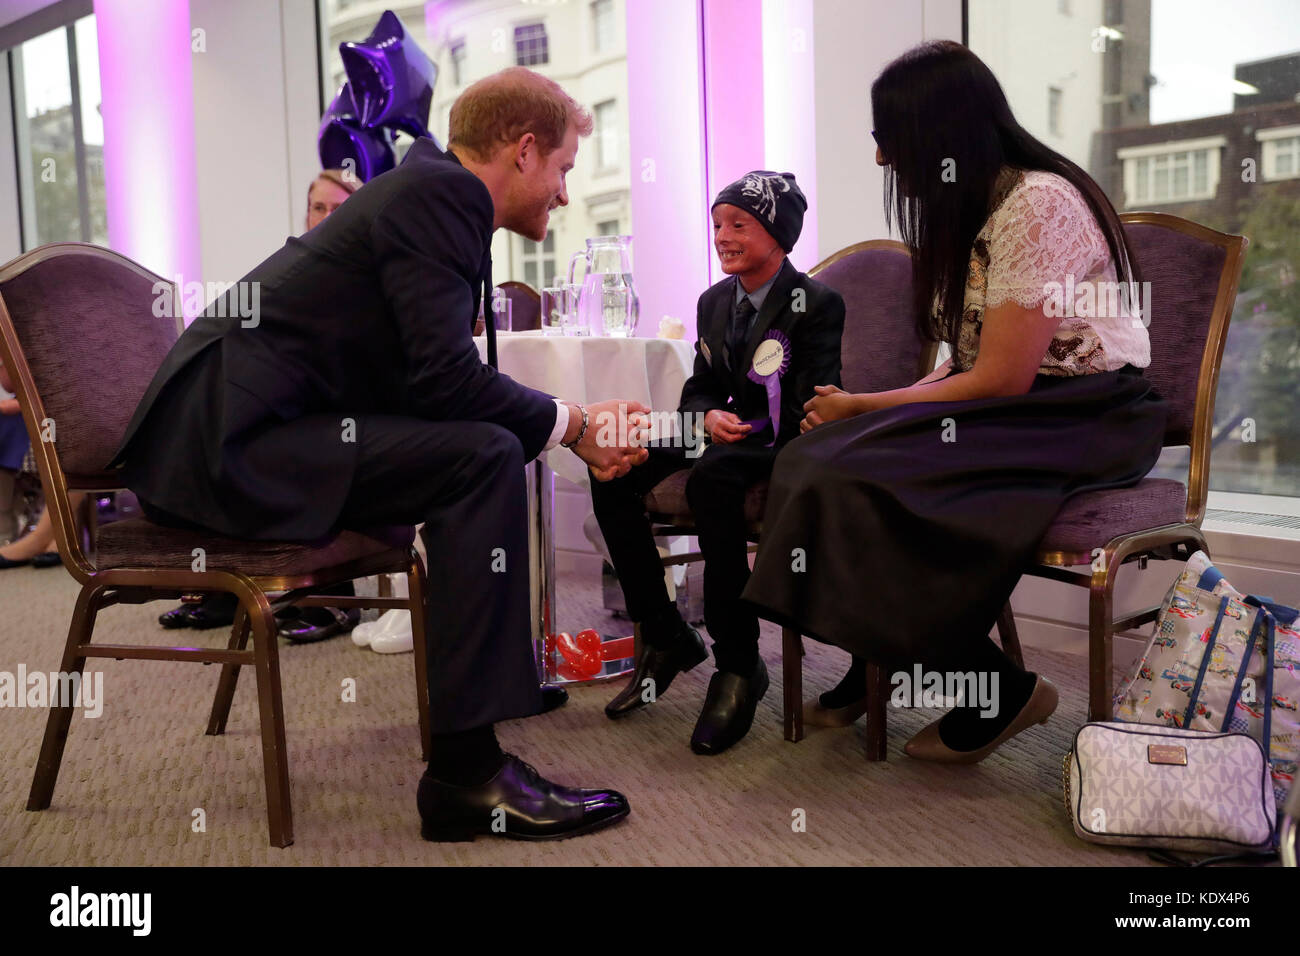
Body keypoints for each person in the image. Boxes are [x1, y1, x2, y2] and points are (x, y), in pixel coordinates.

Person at [110, 67, 649, 841]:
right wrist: (576, 424)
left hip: (243, 433)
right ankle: (468, 773)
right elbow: (445, 379)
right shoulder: (442, 196)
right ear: (524, 151)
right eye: (563, 169)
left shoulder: (426, 191)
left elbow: (425, 387)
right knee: (483, 457)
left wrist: (571, 425)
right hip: (224, 447)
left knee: (484, 450)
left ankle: (477, 735)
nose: (564, 192)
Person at [741, 40, 1166, 763]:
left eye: (888, 137)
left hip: (1085, 414)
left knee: (858, 478)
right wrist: (866, 404)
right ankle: (878, 650)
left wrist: (874, 411)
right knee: (814, 455)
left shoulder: (1039, 203)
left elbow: (1000, 378)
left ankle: (989, 688)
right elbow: (966, 367)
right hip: (1019, 403)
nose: (881, 158)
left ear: (939, 132)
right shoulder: (970, 209)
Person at [591, 171, 844, 755]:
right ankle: (664, 631)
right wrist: (705, 417)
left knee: (714, 479)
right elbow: (701, 387)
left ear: (778, 235)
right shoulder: (712, 301)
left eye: (738, 225)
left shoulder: (817, 302)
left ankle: (738, 661)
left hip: (784, 438)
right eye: (717, 225)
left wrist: (741, 430)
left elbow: (815, 398)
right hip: (722, 430)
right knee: (614, 465)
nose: (722, 236)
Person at [157, 167, 363, 640]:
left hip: (327, 408)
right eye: (318, 207)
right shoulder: (287, 269)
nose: (326, 216)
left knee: (311, 434)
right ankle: (228, 586)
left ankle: (329, 590)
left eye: (339, 208)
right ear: (304, 213)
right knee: (228, 422)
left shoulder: (361, 271)